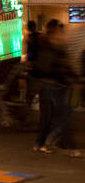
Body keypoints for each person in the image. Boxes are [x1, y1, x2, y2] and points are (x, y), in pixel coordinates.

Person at [33, 19, 82, 155]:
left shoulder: (51, 47)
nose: (62, 34)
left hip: (52, 86)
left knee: (49, 117)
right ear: (54, 32)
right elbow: (58, 68)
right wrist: (70, 79)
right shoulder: (52, 48)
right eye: (60, 32)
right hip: (54, 86)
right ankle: (63, 145)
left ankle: (40, 143)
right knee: (62, 116)